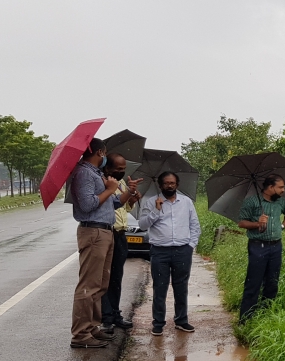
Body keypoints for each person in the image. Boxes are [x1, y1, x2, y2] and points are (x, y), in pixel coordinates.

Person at [69, 138, 136, 349]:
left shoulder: (96, 173)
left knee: (100, 284)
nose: (105, 156)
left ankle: (92, 326)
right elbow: (88, 204)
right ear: (100, 152)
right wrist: (109, 189)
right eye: (105, 153)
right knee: (88, 285)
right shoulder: (84, 173)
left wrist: (128, 191)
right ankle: (80, 334)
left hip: (106, 231)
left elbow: (113, 203)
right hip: (93, 231)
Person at [137, 171, 201, 335]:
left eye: (172, 183)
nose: (169, 186)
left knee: (181, 287)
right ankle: (158, 322)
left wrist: (191, 246)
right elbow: (143, 225)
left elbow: (195, 225)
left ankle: (181, 320)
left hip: (182, 251)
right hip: (159, 252)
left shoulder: (186, 202)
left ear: (177, 185)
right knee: (160, 288)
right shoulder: (151, 202)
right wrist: (156, 210)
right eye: (166, 183)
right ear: (160, 185)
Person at [238, 174, 285, 322]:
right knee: (254, 281)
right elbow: (242, 223)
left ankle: (266, 315)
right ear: (270, 187)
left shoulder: (280, 201)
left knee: (272, 281)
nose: (283, 190)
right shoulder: (252, 202)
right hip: (258, 246)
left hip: (276, 246)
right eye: (280, 187)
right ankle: (246, 318)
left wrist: (282, 225)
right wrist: (258, 223)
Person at [101, 154, 141, 331]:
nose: (121, 172)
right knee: (104, 278)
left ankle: (116, 314)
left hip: (121, 234)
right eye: (118, 169)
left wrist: (131, 197)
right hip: (108, 232)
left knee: (116, 277)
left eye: (123, 169)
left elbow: (125, 208)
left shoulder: (122, 182)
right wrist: (121, 192)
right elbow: (108, 205)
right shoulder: (103, 182)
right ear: (107, 168)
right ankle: (106, 317)